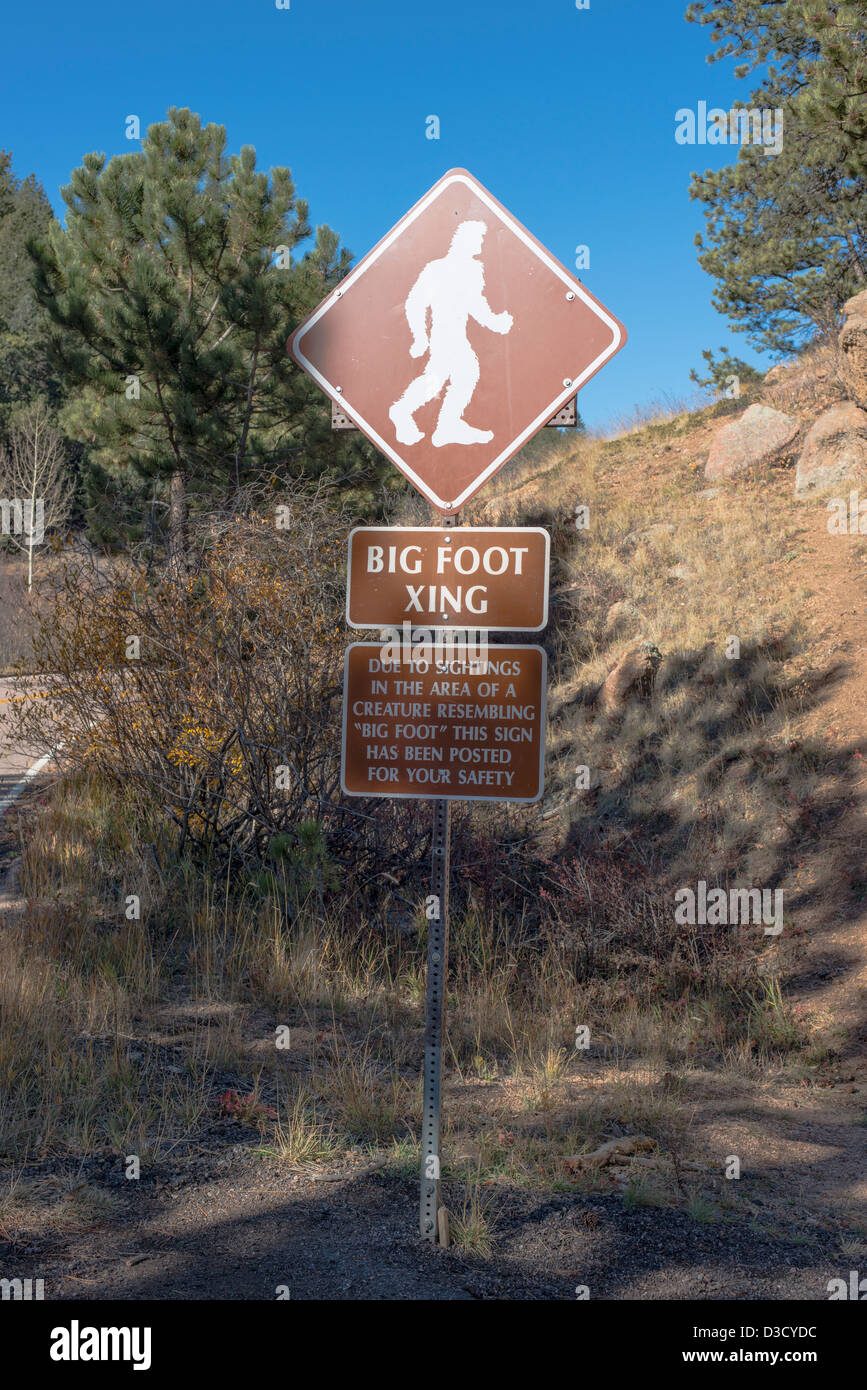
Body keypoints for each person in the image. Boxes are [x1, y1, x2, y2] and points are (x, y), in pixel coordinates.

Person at [388, 220, 514, 448]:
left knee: (457, 375)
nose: (481, 245)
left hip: (456, 334)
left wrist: (496, 322)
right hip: (443, 334)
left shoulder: (474, 270)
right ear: (463, 240)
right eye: (478, 239)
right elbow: (415, 303)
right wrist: (420, 337)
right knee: (445, 378)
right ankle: (409, 414)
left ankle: (441, 424)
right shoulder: (436, 269)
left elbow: (476, 304)